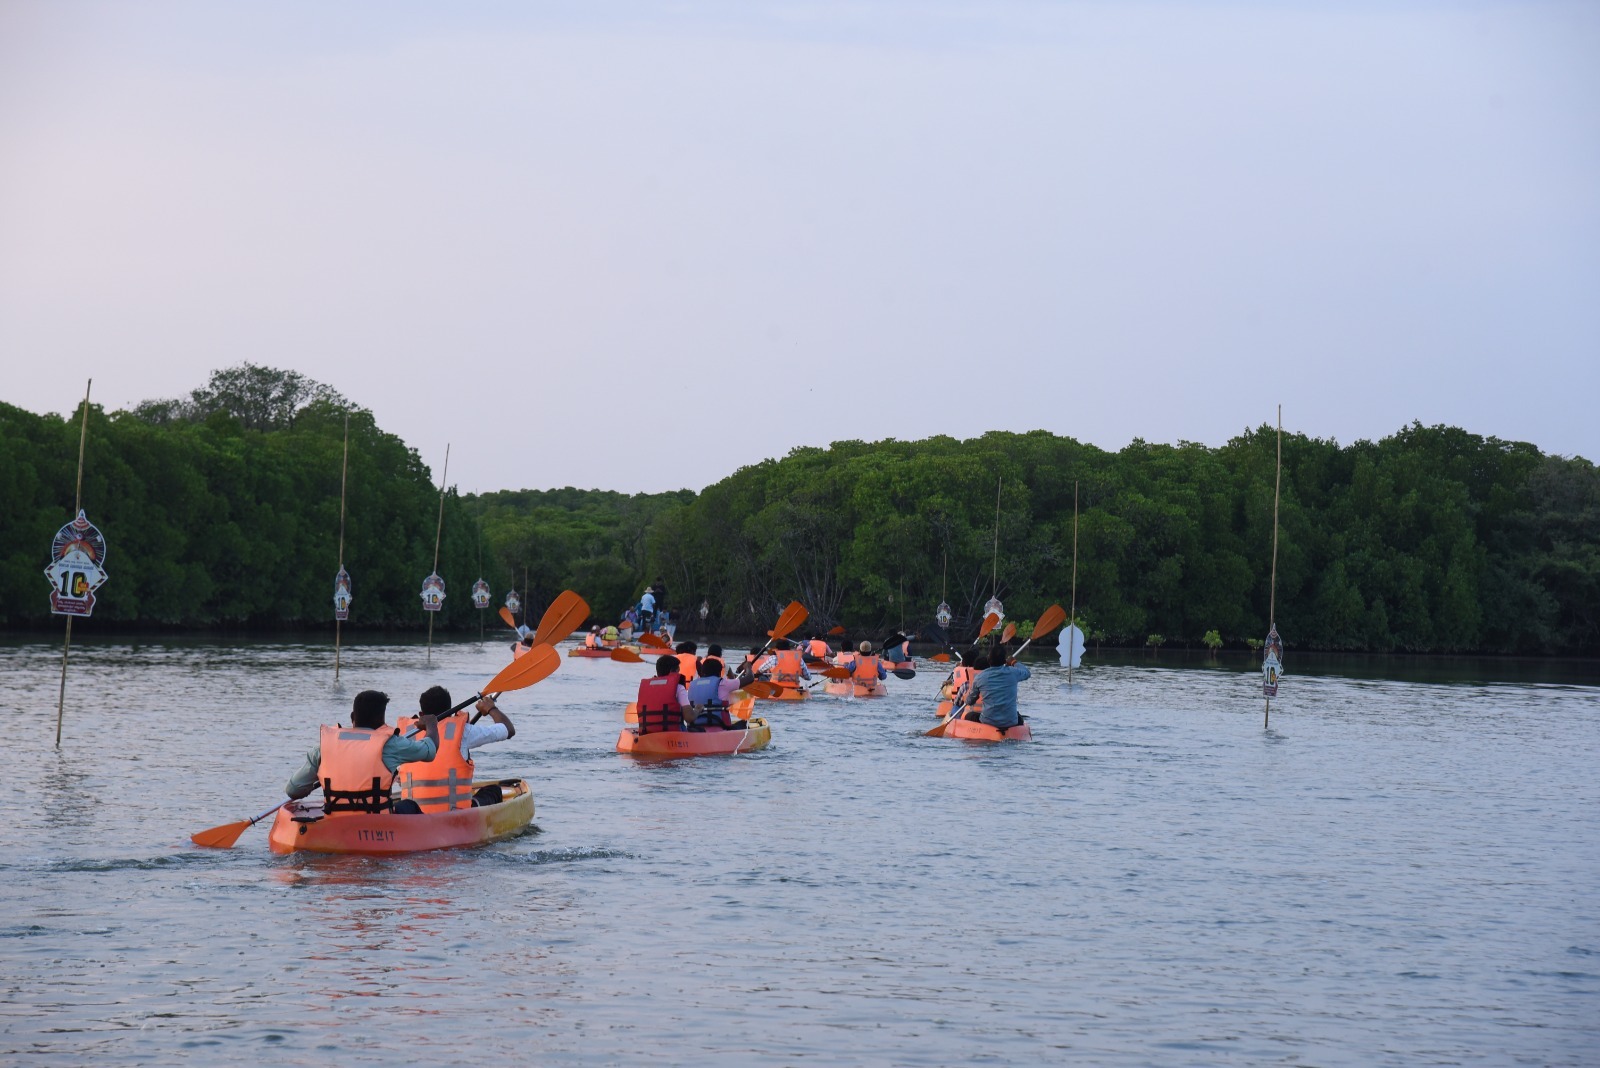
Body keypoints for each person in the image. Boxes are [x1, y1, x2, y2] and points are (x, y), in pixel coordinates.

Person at [285, 690, 439, 813]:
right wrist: (431, 724)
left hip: (335, 823)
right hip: (377, 823)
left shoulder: (323, 748)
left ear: (353, 716)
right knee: (409, 806)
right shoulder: (391, 745)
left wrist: (309, 787)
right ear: (382, 721)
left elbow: (293, 790)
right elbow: (429, 750)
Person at [394, 685, 517, 812]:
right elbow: (508, 730)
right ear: (452, 712)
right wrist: (491, 708)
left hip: (413, 815)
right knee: (494, 791)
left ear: (421, 714)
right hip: (455, 815)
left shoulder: (405, 736)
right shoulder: (463, 732)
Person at [961, 645, 1031, 731]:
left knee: (969, 716)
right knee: (1019, 717)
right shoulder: (1013, 672)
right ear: (1004, 660)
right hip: (1011, 722)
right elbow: (1027, 673)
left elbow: (970, 701)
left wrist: (967, 698)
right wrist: (1013, 662)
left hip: (987, 721)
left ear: (989, 660)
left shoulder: (980, 677)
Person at [685, 660, 749, 731]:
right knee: (744, 724)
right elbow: (750, 679)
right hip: (720, 726)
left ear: (702, 672)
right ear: (719, 672)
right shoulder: (722, 683)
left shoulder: (692, 685)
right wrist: (748, 668)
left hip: (694, 727)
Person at [634, 654, 689, 734]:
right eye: (678, 670)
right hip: (673, 734)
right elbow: (689, 717)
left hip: (647, 733)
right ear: (672, 671)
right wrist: (698, 710)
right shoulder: (679, 688)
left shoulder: (647, 686)